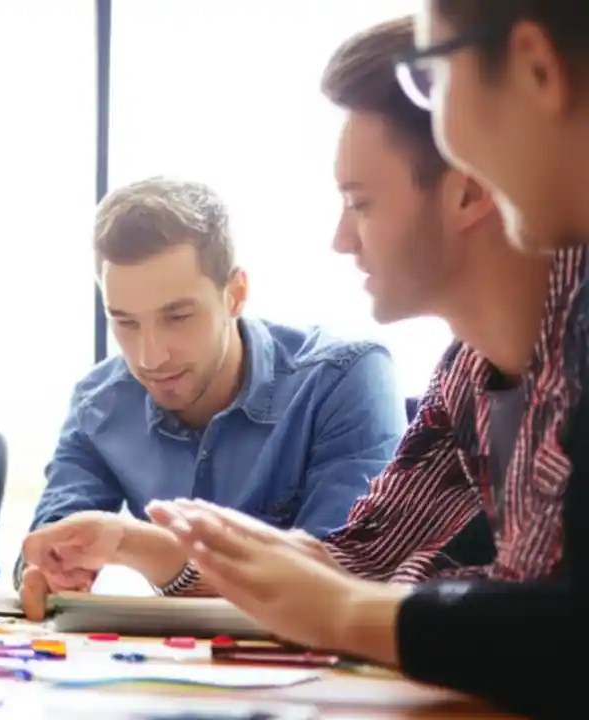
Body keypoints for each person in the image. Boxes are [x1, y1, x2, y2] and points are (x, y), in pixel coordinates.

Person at [149, 10, 584, 715]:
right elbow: (369, 562)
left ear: (468, 190)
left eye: (360, 204)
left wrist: (346, 609)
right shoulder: (468, 370)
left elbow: (562, 632)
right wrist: (181, 549)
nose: (340, 240)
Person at [17, 177, 404, 599]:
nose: (149, 357)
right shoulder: (100, 404)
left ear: (235, 295)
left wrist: (148, 549)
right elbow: (51, 538)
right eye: (125, 322)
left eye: (178, 316)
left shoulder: (345, 378)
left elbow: (344, 583)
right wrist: (52, 569)